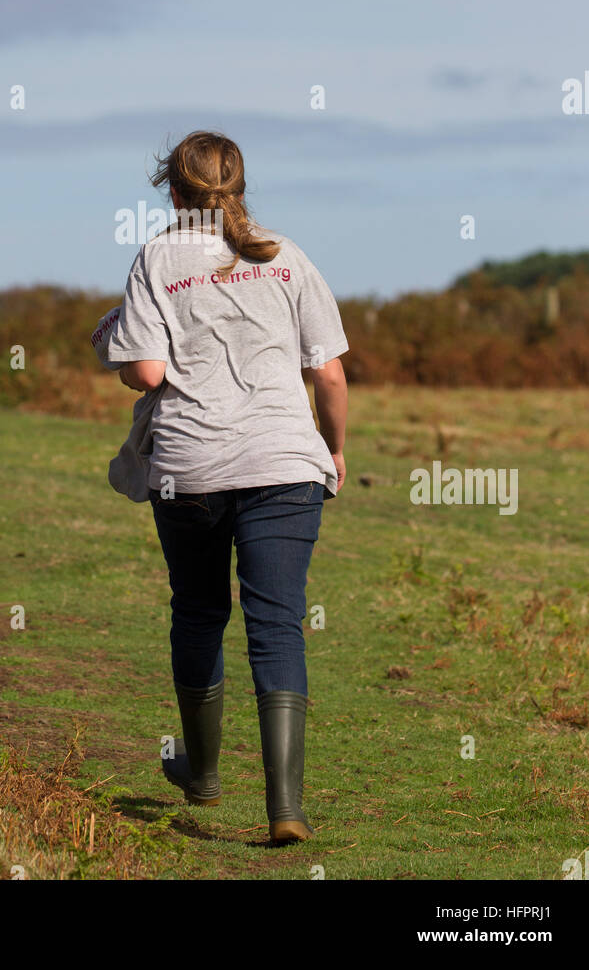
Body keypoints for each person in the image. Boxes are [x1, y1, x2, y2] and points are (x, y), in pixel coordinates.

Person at [107, 130, 348, 844]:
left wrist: (115, 353)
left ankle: (203, 772)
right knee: (277, 623)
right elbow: (328, 373)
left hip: (192, 469)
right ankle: (286, 809)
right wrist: (332, 447)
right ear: (237, 189)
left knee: (201, 609)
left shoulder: (156, 257)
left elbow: (147, 372)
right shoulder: (285, 253)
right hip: (285, 465)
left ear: (174, 193)